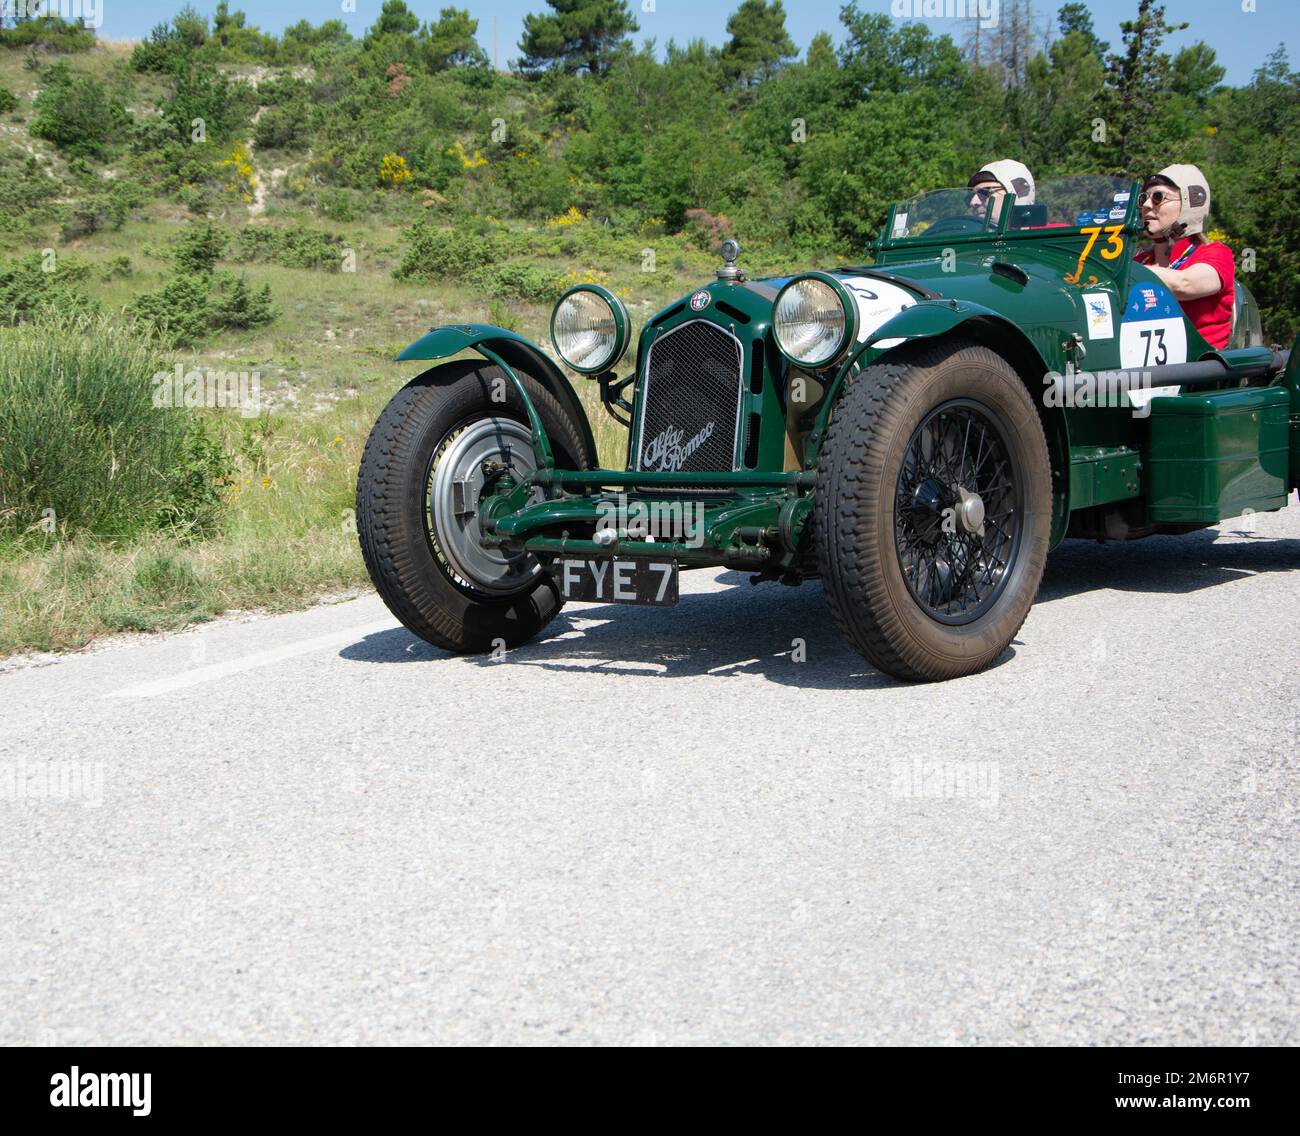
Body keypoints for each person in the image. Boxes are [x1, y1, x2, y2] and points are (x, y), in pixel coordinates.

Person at [1133, 164, 1235, 349]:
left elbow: (1185, 284)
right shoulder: (1139, 261)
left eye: (1158, 198)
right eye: (1144, 198)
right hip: (1148, 372)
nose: (1147, 205)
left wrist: (1124, 269)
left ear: (1190, 203)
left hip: (1202, 370)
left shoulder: (1215, 253)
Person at [966, 160, 1036, 225]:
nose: (972, 202)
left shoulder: (1044, 237)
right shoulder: (965, 236)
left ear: (1017, 194)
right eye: (970, 196)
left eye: (983, 192)